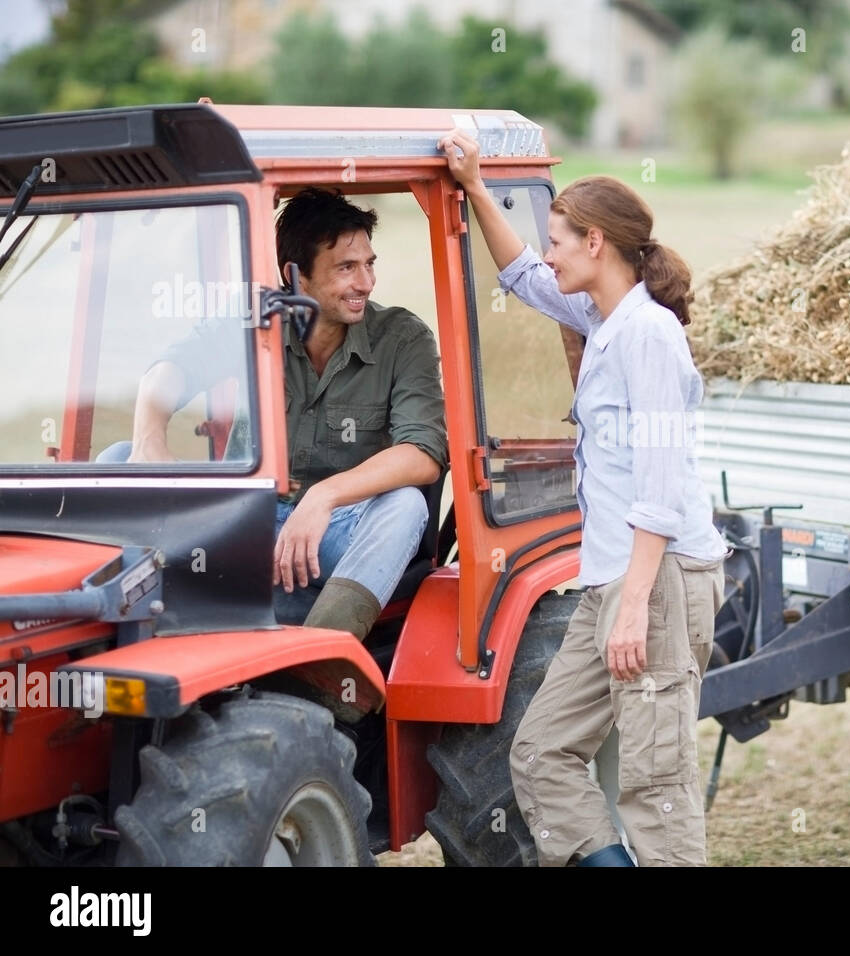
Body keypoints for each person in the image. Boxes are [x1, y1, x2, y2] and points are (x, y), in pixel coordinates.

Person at [441, 130, 728, 867]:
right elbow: (523, 277)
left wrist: (634, 604)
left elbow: (660, 485)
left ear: (597, 243)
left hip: (656, 579)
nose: (552, 253)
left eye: (561, 240)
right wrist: (474, 189)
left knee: (656, 782)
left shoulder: (650, 337)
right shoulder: (603, 320)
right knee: (540, 754)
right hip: (613, 578)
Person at [122, 187, 447, 640]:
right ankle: (118, 633)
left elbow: (422, 453)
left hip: (335, 530)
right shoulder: (253, 318)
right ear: (295, 276)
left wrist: (324, 497)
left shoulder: (403, 338)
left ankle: (321, 663)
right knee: (118, 460)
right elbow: (168, 371)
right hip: (243, 521)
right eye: (347, 268)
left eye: (369, 264)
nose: (366, 283)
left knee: (406, 505)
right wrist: (149, 441)